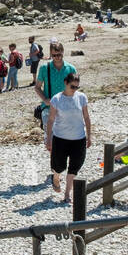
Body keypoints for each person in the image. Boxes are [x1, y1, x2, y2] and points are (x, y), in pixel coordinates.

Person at [46, 72, 91, 202]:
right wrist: (49, 139)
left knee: (75, 166)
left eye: (77, 87)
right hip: (61, 138)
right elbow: (50, 120)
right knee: (59, 166)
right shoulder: (57, 99)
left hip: (79, 138)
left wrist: (89, 135)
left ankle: (67, 194)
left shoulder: (82, 98)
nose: (75, 90)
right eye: (72, 86)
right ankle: (55, 178)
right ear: (66, 83)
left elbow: (86, 117)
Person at [34, 39, 77, 128]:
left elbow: (75, 89)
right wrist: (45, 100)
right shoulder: (44, 68)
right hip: (49, 109)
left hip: (67, 108)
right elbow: (37, 87)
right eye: (54, 55)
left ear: (63, 52)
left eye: (59, 55)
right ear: (50, 54)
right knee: (50, 138)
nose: (57, 57)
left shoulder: (71, 69)